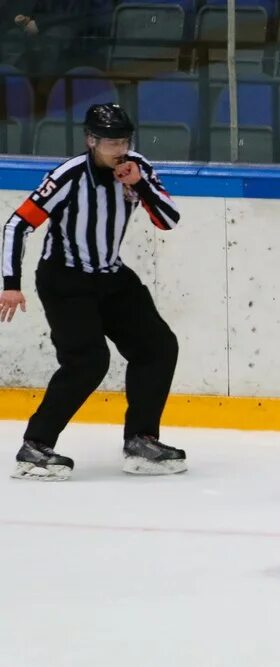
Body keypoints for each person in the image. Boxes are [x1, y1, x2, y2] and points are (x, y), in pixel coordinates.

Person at [0, 103, 184, 481]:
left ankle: (141, 440)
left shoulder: (137, 168)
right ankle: (35, 446)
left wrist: (139, 184)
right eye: (110, 142)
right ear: (90, 140)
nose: (119, 148)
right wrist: (10, 285)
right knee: (87, 360)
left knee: (158, 346)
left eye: (124, 140)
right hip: (64, 279)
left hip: (110, 276)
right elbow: (18, 225)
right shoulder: (68, 177)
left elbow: (168, 219)